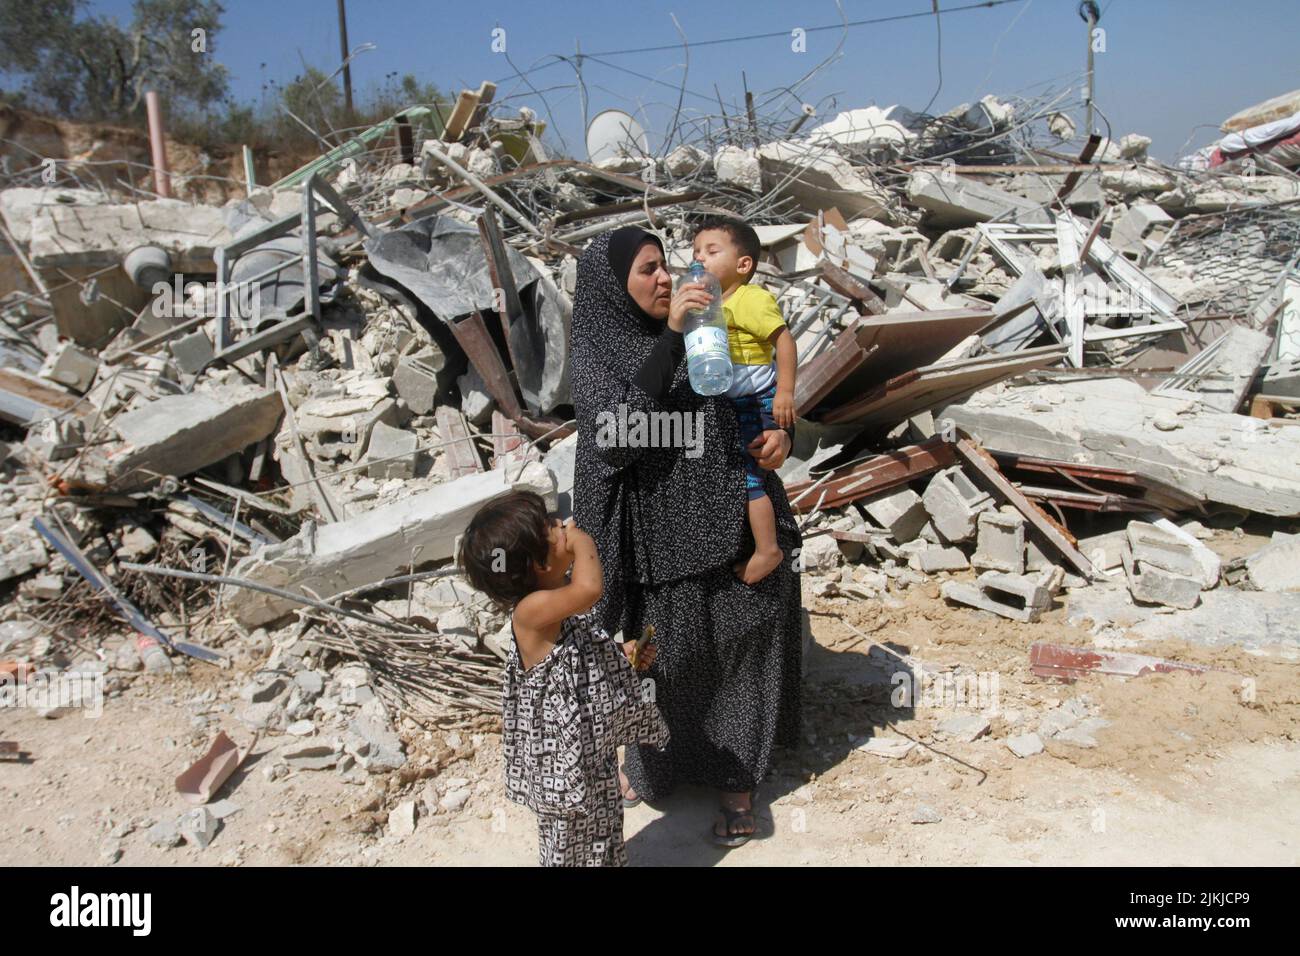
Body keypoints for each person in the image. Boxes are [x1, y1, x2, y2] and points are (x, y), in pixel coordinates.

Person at [569, 225, 803, 848]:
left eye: (665, 266)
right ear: (612, 286)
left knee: (739, 653)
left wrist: (782, 438)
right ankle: (653, 765)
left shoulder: (711, 325)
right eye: (649, 270)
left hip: (729, 531)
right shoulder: (600, 350)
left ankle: (736, 782)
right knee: (655, 663)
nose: (667, 278)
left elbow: (750, 398)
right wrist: (671, 339)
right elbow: (617, 436)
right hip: (654, 548)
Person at [459, 489, 668, 866]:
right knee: (570, 843)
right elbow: (590, 589)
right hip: (563, 764)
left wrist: (624, 654)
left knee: (604, 830)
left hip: (591, 751)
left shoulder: (557, 599)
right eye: (552, 528)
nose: (564, 527)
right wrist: (584, 539)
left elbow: (579, 654)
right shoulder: (531, 611)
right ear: (536, 563)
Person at [691, 217, 797, 585]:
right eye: (695, 252)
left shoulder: (750, 299)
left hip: (755, 400)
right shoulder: (710, 302)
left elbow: (783, 340)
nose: (699, 259)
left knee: (751, 479)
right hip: (734, 402)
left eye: (711, 251)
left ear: (743, 265)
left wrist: (785, 392)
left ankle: (768, 549)